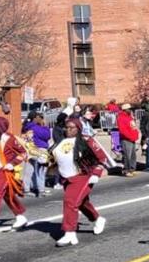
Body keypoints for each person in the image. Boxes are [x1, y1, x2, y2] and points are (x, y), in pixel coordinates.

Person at [50, 117, 109, 247]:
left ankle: (69, 232)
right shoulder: (60, 141)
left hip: (83, 175)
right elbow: (53, 157)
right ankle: (98, 219)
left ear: (78, 128)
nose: (68, 130)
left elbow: (102, 158)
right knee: (81, 202)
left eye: (72, 128)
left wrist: (96, 173)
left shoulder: (86, 140)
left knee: (70, 202)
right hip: (67, 177)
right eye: (67, 127)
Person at [22, 113, 51, 197]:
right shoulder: (36, 128)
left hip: (29, 150)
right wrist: (44, 126)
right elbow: (47, 135)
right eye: (40, 117)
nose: (42, 119)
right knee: (41, 170)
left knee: (29, 169)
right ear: (35, 118)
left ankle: (27, 189)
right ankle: (41, 190)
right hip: (40, 150)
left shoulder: (27, 127)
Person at [118, 103, 140, 176]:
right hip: (126, 140)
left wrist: (136, 135)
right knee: (127, 156)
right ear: (125, 110)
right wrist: (130, 137)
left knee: (133, 155)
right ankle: (126, 170)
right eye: (129, 109)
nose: (131, 110)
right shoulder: (121, 118)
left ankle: (132, 169)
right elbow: (123, 130)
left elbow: (133, 127)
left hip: (132, 139)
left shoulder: (129, 117)